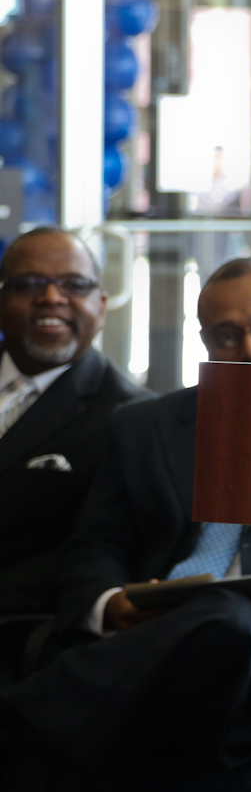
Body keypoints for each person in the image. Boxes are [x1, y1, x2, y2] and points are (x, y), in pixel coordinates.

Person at [0, 258, 251, 789]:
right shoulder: (146, 424)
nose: (250, 352)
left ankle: (33, 718)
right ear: (203, 341)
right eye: (227, 336)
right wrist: (110, 602)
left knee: (228, 621)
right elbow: (96, 545)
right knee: (208, 628)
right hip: (155, 619)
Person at [0, 228, 148, 678]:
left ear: (101, 305)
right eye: (28, 284)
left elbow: (88, 551)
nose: (51, 297)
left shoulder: (132, 416)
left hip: (24, 641)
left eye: (73, 284)